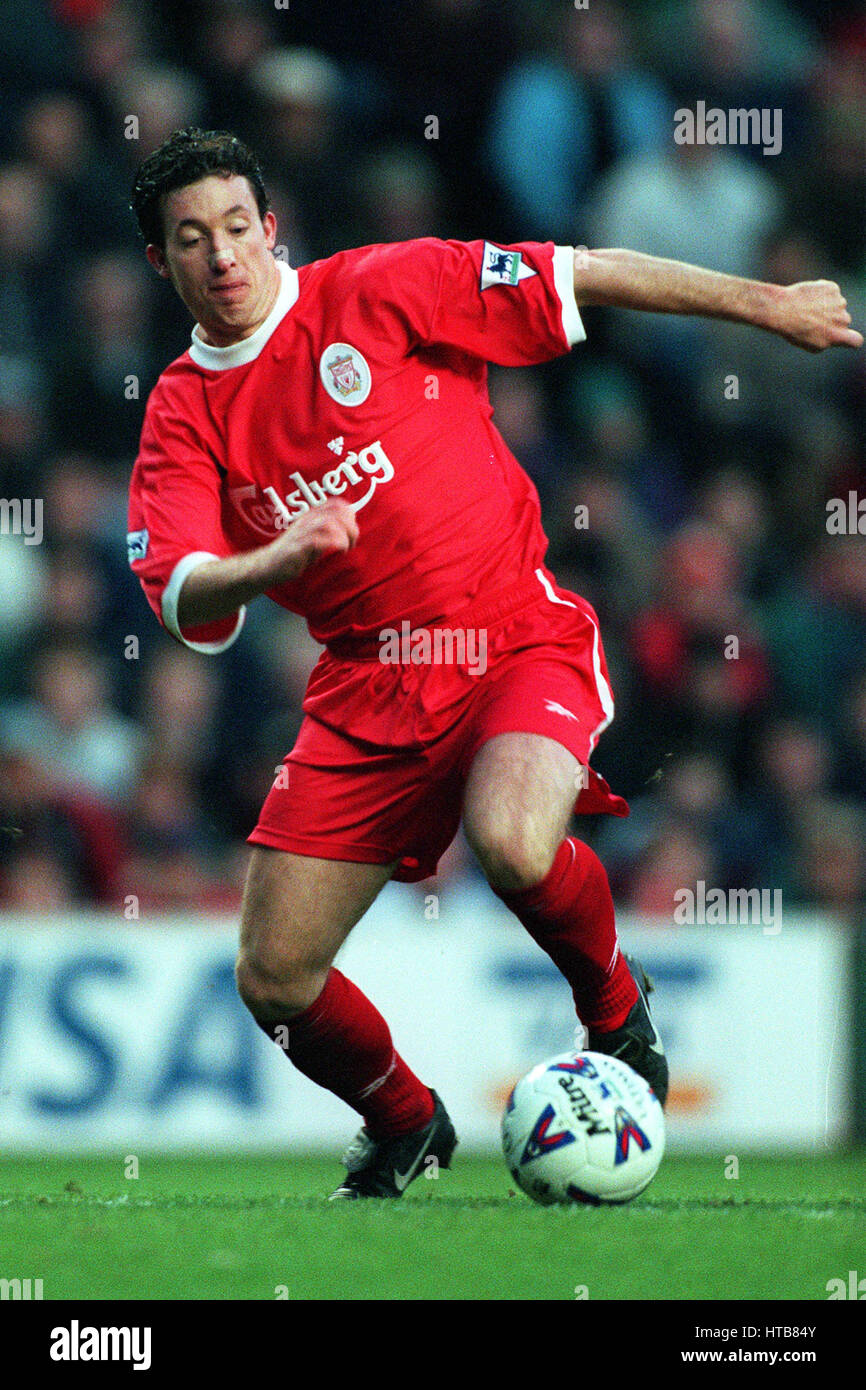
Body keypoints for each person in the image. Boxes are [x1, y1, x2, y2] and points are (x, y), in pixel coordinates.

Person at [128, 128, 861, 1199]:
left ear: (270, 225)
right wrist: (269, 560)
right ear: (162, 262)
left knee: (514, 844)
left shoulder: (385, 286)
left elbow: (584, 271)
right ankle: (405, 1121)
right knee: (273, 975)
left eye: (237, 227)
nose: (223, 255)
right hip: (362, 689)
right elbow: (185, 599)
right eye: (192, 239)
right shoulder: (183, 412)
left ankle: (614, 1006)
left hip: (509, 631)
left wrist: (770, 306)